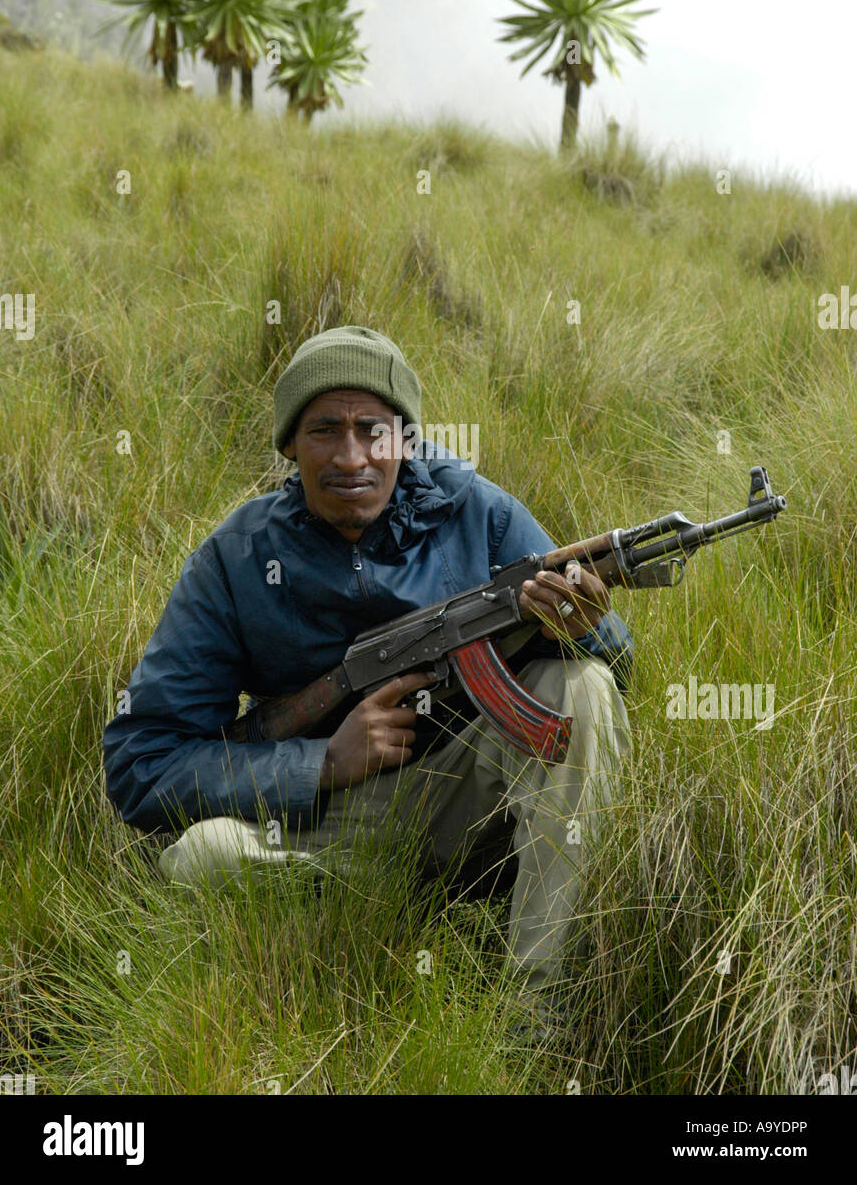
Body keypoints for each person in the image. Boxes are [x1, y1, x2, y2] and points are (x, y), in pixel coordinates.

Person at [103, 326, 633, 1043]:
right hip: (323, 831)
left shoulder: (480, 512)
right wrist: (321, 763)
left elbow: (618, 671)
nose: (352, 457)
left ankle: (531, 1016)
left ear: (406, 439)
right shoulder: (235, 559)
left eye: (372, 430)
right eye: (325, 430)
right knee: (200, 859)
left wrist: (582, 624)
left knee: (585, 687)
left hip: (468, 805)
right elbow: (141, 762)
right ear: (289, 444)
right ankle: (367, 930)